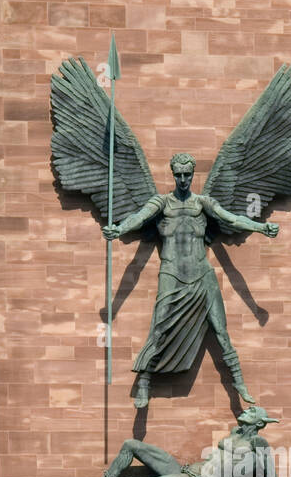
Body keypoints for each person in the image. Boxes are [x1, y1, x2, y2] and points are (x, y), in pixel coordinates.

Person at [103, 153, 278, 408]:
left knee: (221, 330)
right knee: (159, 326)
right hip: (172, 272)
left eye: (187, 175)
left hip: (201, 272)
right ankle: (144, 381)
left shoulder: (203, 203)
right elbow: (138, 218)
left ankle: (239, 382)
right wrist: (119, 229)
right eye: (178, 175)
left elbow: (231, 218)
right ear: (173, 174)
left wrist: (261, 227)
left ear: (193, 175)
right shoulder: (161, 203)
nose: (183, 180)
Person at [75, 406, 279, 477]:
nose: (247, 410)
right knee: (131, 445)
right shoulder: (235, 432)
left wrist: (263, 453)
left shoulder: (256, 445)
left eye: (252, 412)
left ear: (259, 424)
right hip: (185, 470)